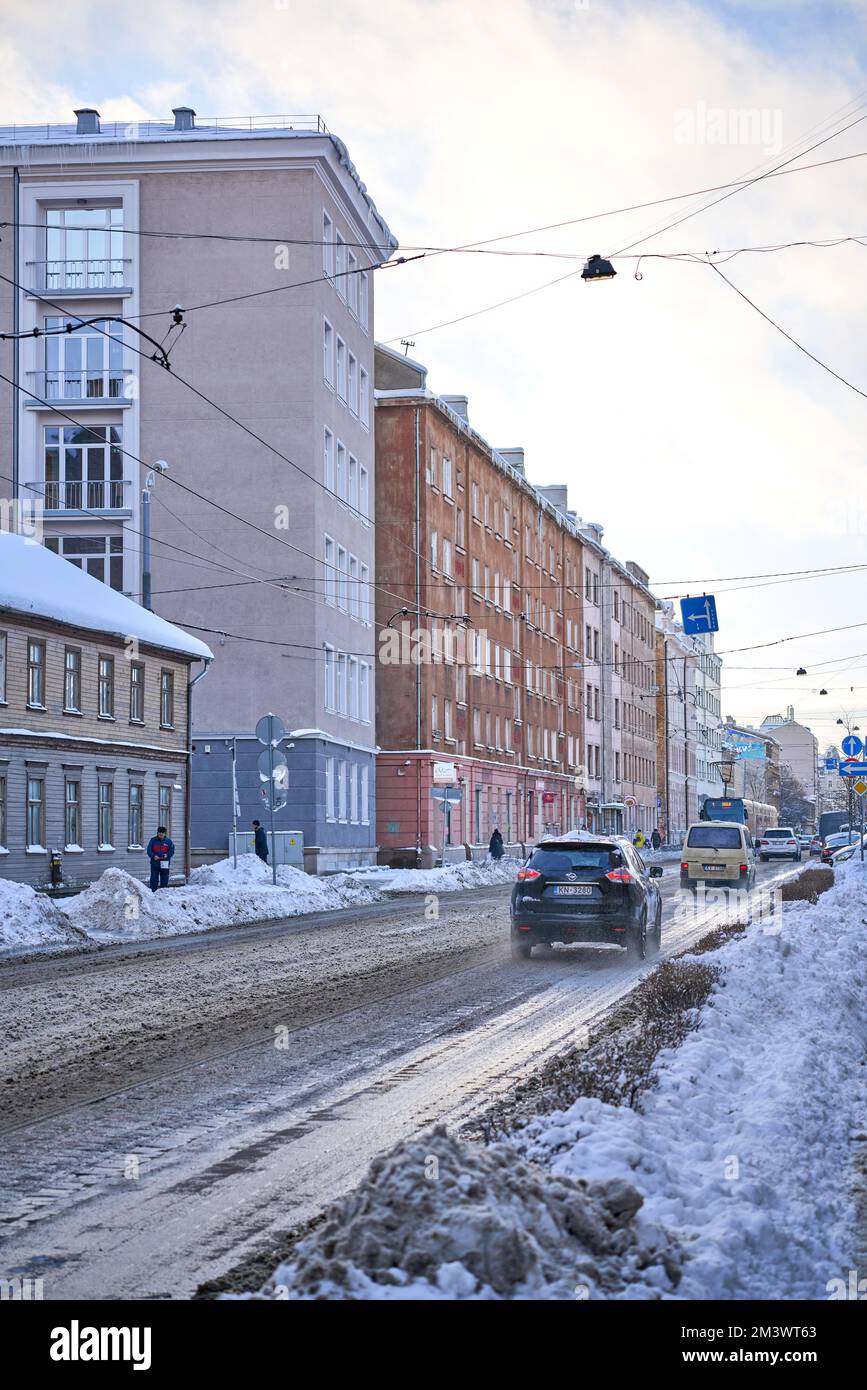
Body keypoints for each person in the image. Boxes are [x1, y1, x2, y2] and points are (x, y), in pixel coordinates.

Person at [146, 826, 174, 892]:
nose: (161, 834)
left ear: (165, 834)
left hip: (165, 863)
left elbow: (172, 851)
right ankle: (153, 891)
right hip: (155, 863)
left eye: (162, 833)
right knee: (154, 878)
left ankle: (163, 892)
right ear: (157, 833)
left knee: (164, 878)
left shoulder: (169, 842)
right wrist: (153, 856)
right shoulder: (153, 840)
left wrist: (167, 855)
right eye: (159, 833)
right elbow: (149, 850)